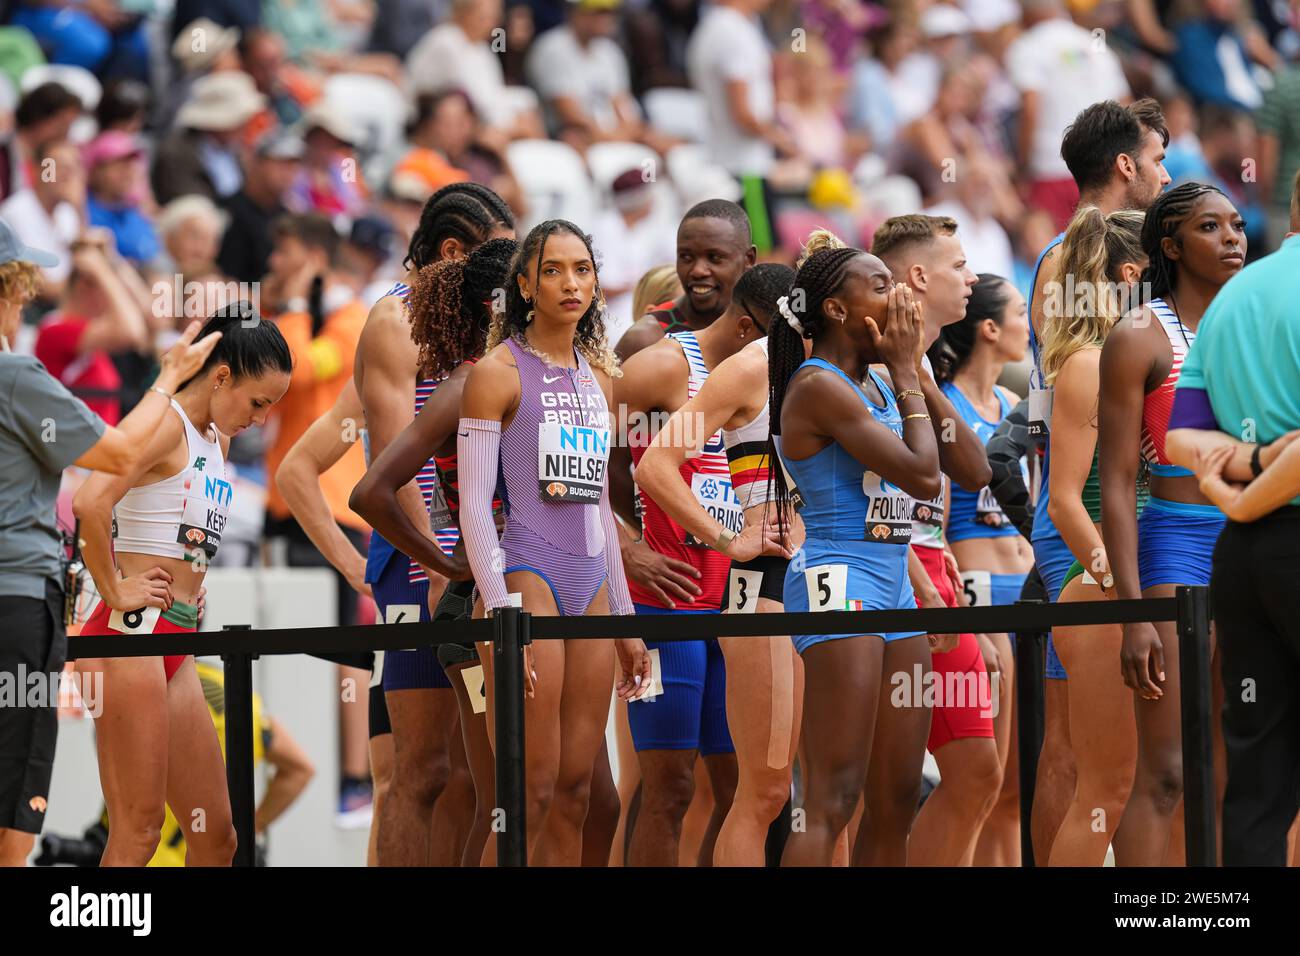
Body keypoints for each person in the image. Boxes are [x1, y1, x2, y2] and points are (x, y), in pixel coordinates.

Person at [0, 221, 218, 867]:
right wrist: (167, 379)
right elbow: (117, 454)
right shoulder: (15, 374)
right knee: (13, 800)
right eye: (20, 288)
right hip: (16, 600)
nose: (26, 301)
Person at [457, 219, 652, 866]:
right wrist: (500, 610)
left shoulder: (600, 377)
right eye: (552, 270)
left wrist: (625, 621)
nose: (570, 283)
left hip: (592, 578)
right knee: (529, 790)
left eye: (583, 269)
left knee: (576, 791)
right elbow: (478, 511)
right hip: (527, 577)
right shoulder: (496, 372)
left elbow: (598, 504)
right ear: (524, 285)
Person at [72, 304, 292, 866]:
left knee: (217, 837)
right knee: (138, 834)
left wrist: (195, 582)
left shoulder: (212, 440)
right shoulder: (164, 421)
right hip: (130, 637)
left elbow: (186, 534)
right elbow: (90, 502)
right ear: (221, 376)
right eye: (258, 402)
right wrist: (116, 589)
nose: (261, 420)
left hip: (177, 637)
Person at [353, 180, 514, 865]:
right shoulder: (395, 318)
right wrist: (432, 566)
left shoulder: (480, 327)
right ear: (454, 252)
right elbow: (396, 463)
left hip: (478, 559)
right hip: (418, 561)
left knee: (473, 776)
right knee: (418, 772)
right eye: (495, 259)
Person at [1025, 97, 1168, 865]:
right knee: (1082, 754)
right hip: (1079, 519)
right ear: (1126, 164)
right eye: (1158, 159)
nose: (1165, 173)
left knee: (1135, 764)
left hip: (1112, 515)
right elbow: (1064, 400)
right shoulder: (1065, 267)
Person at [766, 234, 938, 867]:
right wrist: (908, 375)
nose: (899, 298)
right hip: (837, 577)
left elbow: (971, 470)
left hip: (893, 580)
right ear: (836, 310)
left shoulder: (891, 382)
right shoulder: (819, 386)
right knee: (833, 796)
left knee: (896, 798)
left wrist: (912, 374)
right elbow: (924, 477)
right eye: (880, 285)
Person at [612, 254, 779, 869]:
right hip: (668, 607)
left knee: (740, 789)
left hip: (734, 607)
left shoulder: (766, 373)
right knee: (667, 789)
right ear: (747, 332)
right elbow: (584, 455)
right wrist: (627, 549)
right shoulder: (659, 364)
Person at [1100, 183, 1246, 866]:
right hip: (1176, 548)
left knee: (1233, 763)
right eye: (1210, 227)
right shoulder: (1139, 336)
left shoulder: (1256, 323)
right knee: (1165, 769)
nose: (1232, 238)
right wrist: (1133, 615)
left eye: (1238, 225)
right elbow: (1120, 483)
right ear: (1170, 245)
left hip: (1251, 543)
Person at [1164, 173, 1300, 866]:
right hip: (1262, 522)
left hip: (1245, 558)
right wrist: (1254, 489)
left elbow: (1181, 441)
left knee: (1257, 774)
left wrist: (1247, 469)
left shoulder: (1233, 298)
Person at [1040, 206, 1147, 866]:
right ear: (1136, 274)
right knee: (1105, 786)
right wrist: (1116, 576)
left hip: (1150, 588)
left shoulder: (1151, 353)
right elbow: (1062, 501)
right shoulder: (1087, 363)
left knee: (1155, 785)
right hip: (1104, 597)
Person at [929, 273, 1033, 866]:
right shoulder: (948, 403)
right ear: (990, 328)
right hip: (979, 589)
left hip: (1026, 589)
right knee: (982, 778)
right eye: (1021, 311)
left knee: (1016, 785)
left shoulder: (1017, 407)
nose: (1030, 324)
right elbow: (934, 521)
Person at [273, 377, 393, 865]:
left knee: (482, 785)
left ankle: (353, 778)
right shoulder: (384, 340)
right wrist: (351, 564)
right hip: (395, 573)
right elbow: (295, 467)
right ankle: (353, 779)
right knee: (404, 781)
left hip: (486, 591)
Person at [1005, 0, 1131, 230]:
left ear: (1025, 13)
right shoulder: (1093, 42)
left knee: (1057, 255)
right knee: (1102, 251)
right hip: (1103, 168)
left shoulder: (1026, 46)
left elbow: (1031, 107)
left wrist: (1023, 166)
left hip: (1050, 167)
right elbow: (1125, 105)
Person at [33, 234, 152, 426]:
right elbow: (132, 332)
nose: (114, 298)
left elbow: (149, 313)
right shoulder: (54, 330)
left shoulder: (90, 332)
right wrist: (102, 271)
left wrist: (113, 259)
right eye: (108, 288)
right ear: (84, 285)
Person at [615, 199, 755, 360]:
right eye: (687, 257)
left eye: (714, 257)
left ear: (749, 259)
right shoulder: (646, 340)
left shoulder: (766, 327)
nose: (698, 271)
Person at [152, 71, 266, 205]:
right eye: (240, 121)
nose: (245, 126)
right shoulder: (176, 154)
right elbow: (193, 206)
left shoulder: (234, 150)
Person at [0, 137, 85, 301]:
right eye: (59, 167)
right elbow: (45, 289)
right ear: (37, 170)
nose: (67, 176)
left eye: (73, 168)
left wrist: (79, 209)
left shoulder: (68, 212)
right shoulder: (17, 211)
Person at [216, 129, 304, 284]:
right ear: (257, 162)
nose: (287, 173)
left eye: (293, 165)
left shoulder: (287, 217)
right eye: (280, 163)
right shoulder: (229, 210)